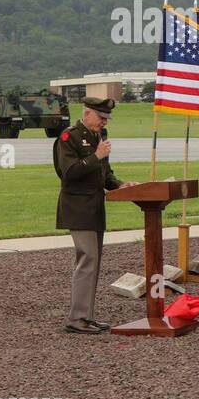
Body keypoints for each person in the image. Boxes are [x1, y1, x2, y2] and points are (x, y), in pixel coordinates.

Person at [55, 97, 138, 334]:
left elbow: (105, 174)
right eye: (101, 118)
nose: (103, 122)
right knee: (87, 259)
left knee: (93, 262)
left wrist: (121, 186)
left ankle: (86, 317)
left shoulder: (98, 137)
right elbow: (69, 173)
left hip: (94, 209)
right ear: (87, 114)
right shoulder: (68, 137)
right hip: (77, 208)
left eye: (106, 119)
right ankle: (76, 318)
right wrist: (96, 156)